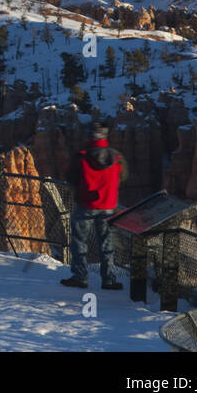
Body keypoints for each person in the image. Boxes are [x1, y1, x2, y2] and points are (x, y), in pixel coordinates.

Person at [62, 123, 129, 290]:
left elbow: (70, 177)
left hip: (86, 204)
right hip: (109, 206)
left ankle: (80, 277)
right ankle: (109, 280)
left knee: (79, 241)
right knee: (107, 243)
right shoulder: (117, 157)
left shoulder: (82, 157)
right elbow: (124, 176)